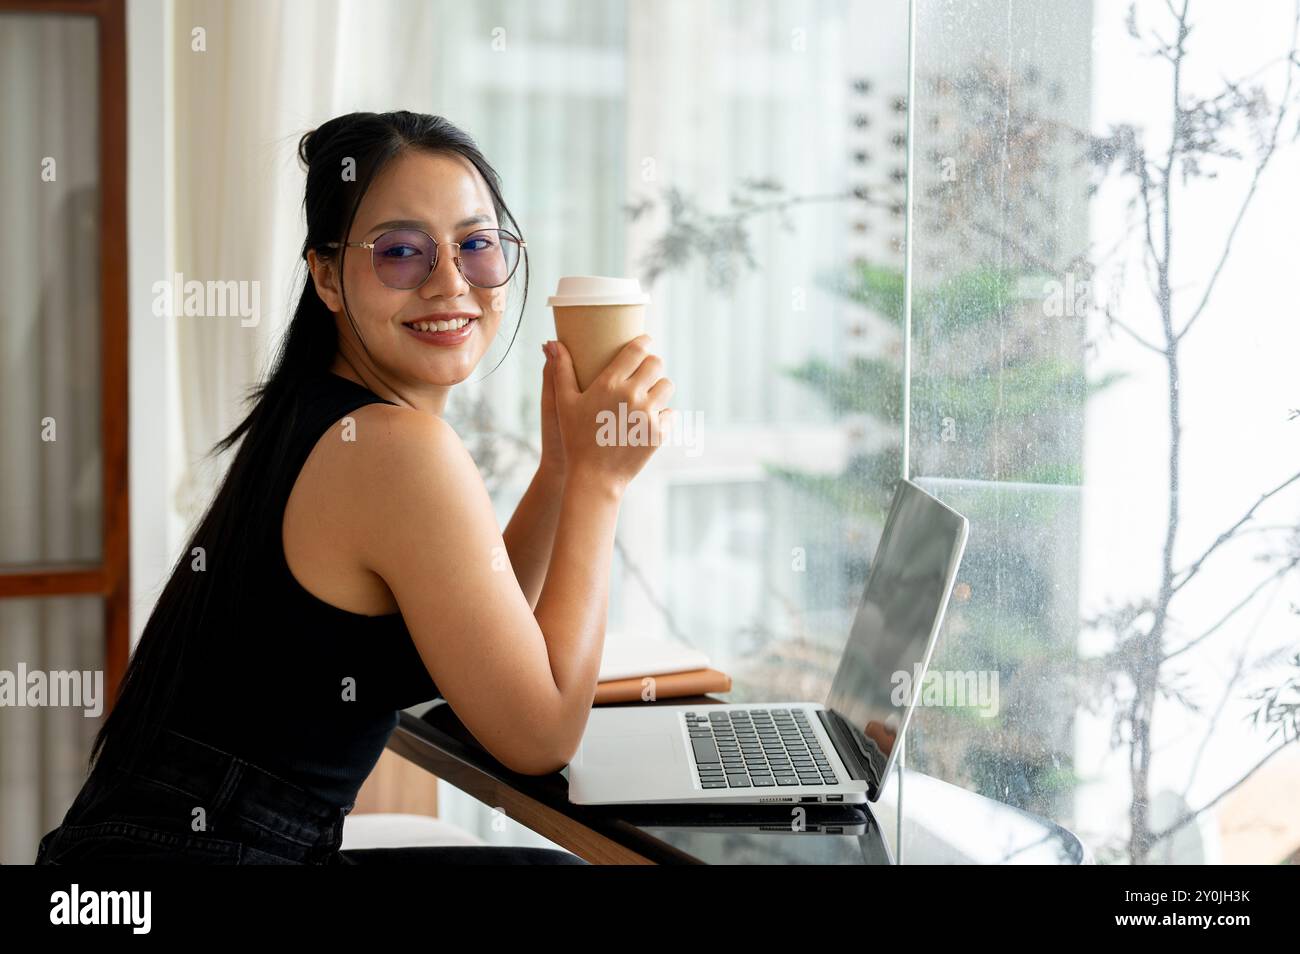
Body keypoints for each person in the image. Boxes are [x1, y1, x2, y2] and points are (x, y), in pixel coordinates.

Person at [35, 110, 673, 865]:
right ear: (328, 277)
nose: (450, 283)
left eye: (476, 245)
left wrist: (564, 465)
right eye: (401, 252)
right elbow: (538, 736)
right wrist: (600, 489)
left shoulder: (330, 414)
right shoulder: (392, 448)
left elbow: (496, 634)